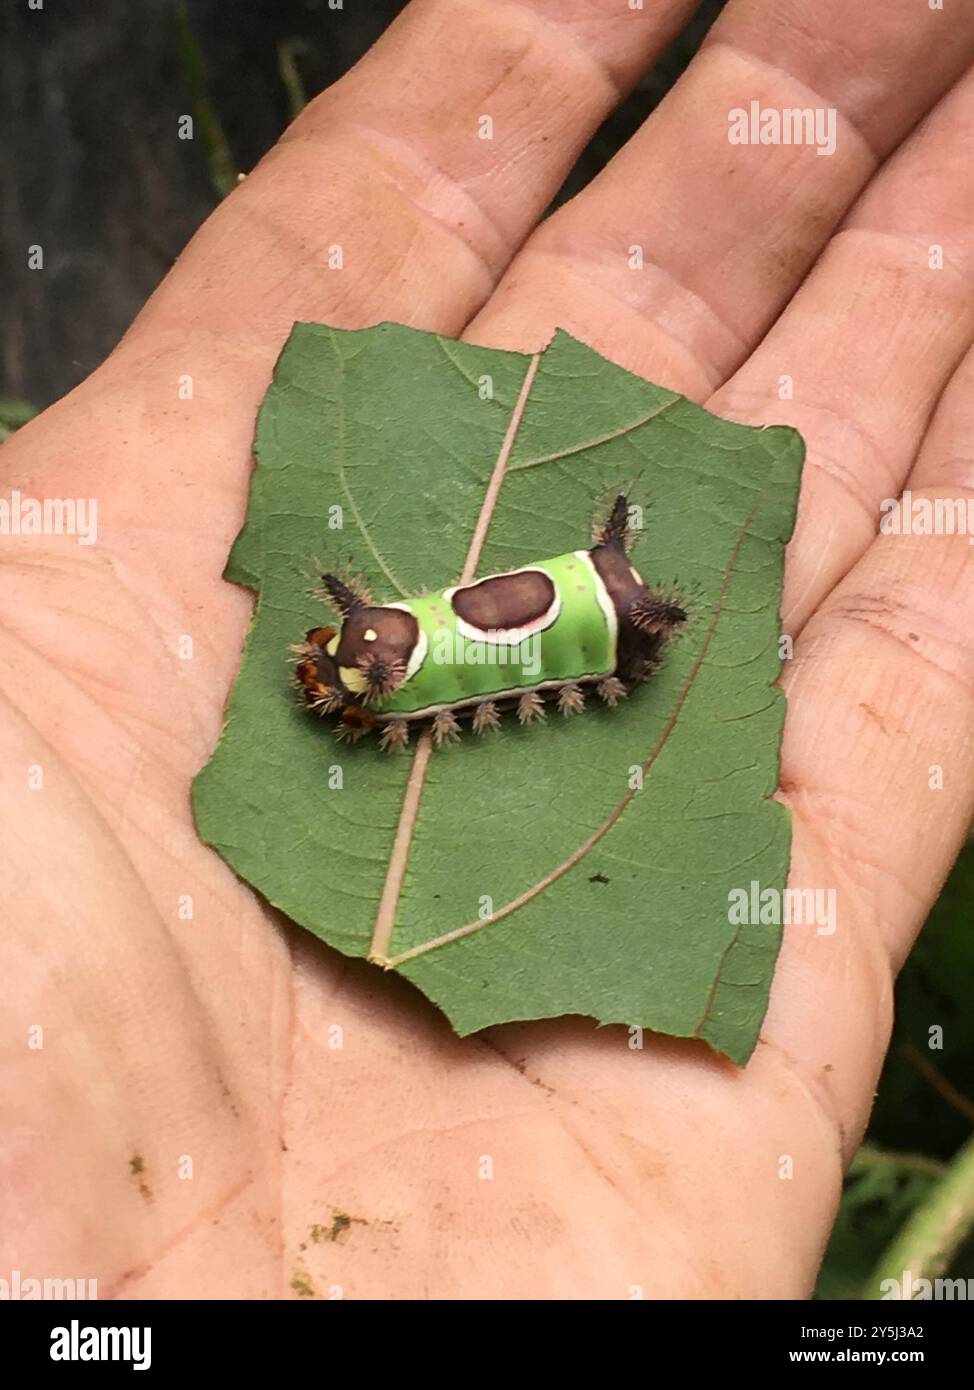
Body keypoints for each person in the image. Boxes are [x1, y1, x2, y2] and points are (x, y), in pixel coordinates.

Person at [3, 0, 973, 1298]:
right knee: (494, 631)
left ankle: (601, 594)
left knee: (502, 630)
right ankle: (598, 592)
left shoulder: (415, 670)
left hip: (592, 617)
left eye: (345, 661)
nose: (333, 667)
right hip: (583, 615)